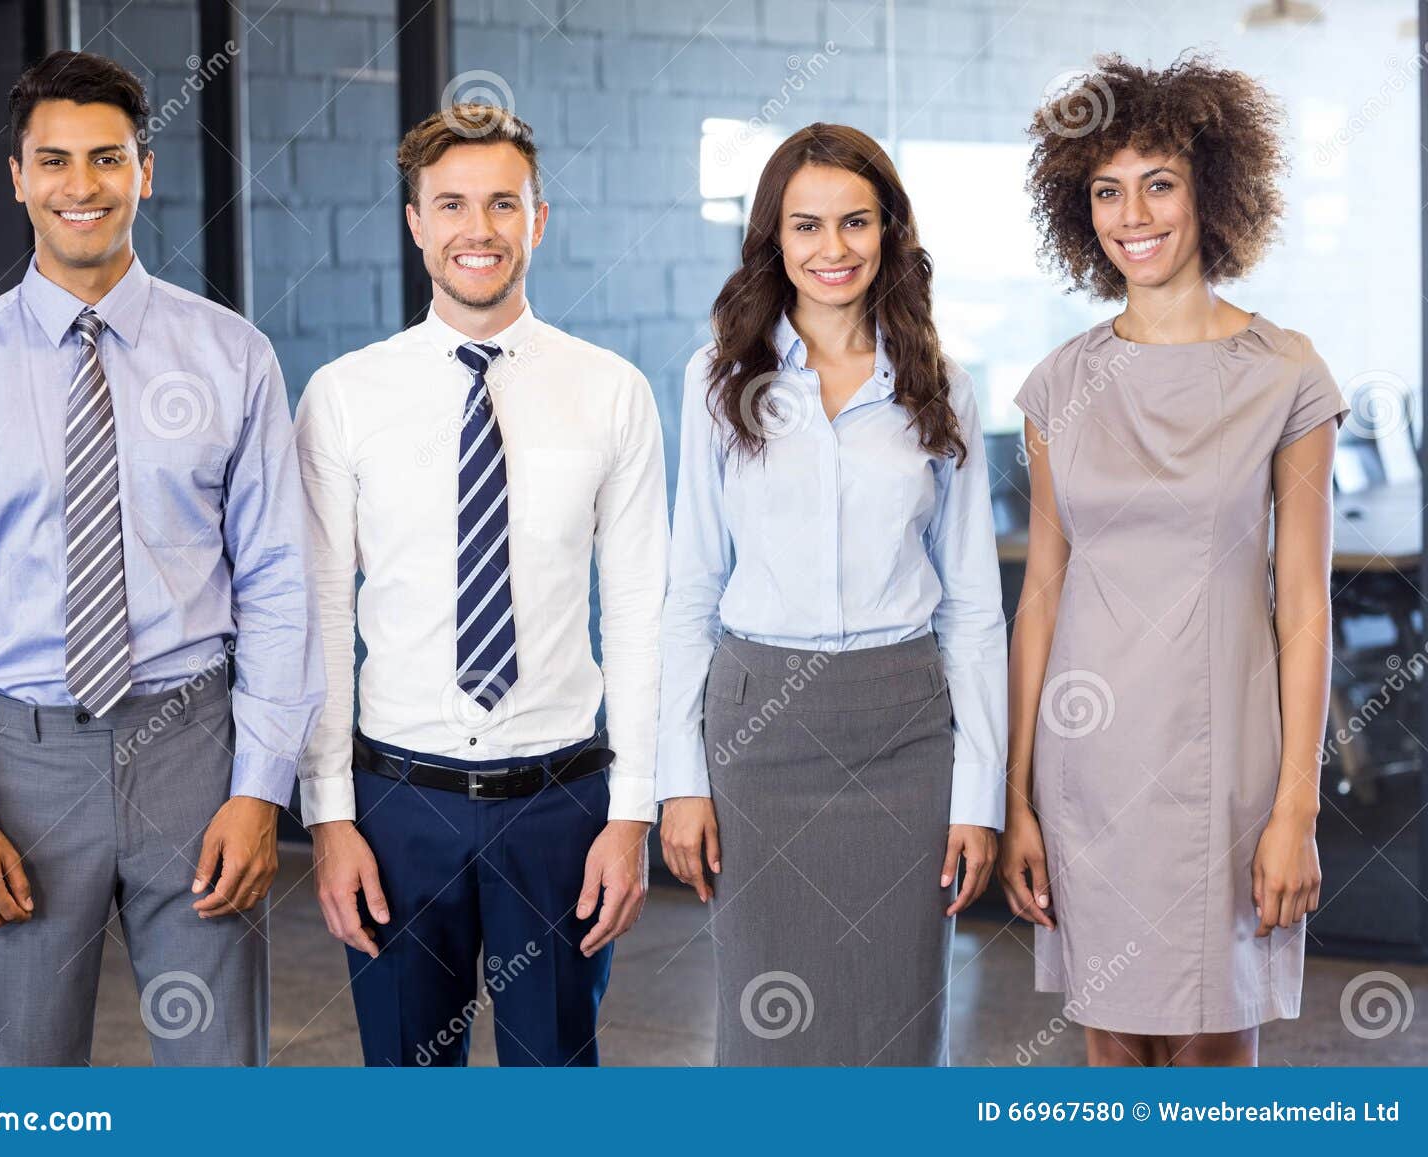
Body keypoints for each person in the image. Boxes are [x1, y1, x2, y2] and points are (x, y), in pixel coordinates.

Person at [0, 51, 322, 1066]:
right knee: (23, 1091)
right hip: (18, 763)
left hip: (194, 753)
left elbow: (280, 582)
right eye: (56, 161)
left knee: (217, 1087)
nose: (83, 186)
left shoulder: (233, 356)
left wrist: (259, 786)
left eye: (107, 158)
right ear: (19, 178)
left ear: (145, 171)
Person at [294, 103, 668, 1067]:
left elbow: (635, 614)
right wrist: (329, 816)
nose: (479, 229)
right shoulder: (342, 395)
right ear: (415, 221)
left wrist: (634, 812)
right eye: (451, 204)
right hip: (396, 805)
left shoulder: (612, 391)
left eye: (504, 203)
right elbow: (323, 619)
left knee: (554, 1080)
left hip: (560, 805)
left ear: (538, 218)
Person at [1001, 54, 1343, 1067]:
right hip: (1087, 767)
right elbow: (1042, 593)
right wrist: (1014, 798)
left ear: (1210, 192)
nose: (1130, 213)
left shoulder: (1285, 373)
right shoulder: (1058, 382)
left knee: (1206, 1059)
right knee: (1112, 1056)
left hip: (1223, 770)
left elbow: (1304, 607)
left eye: (1157, 182)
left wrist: (1297, 806)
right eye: (1106, 189)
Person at [657, 123, 1007, 1065]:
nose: (833, 249)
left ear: (891, 230)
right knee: (767, 1033)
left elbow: (973, 607)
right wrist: (679, 776)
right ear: (774, 238)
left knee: (896, 1026)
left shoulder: (943, 387)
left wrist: (980, 791)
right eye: (805, 226)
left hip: (902, 734)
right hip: (756, 734)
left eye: (856, 222)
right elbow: (691, 587)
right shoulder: (717, 380)